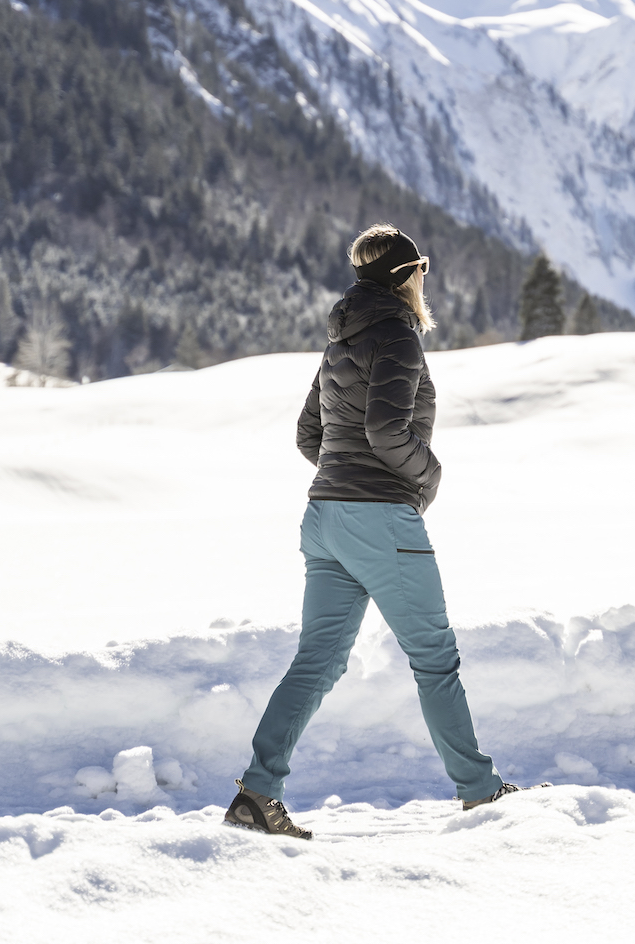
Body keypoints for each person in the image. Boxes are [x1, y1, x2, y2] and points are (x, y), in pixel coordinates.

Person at [225, 224, 525, 838]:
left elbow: (312, 436)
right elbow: (389, 433)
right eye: (422, 268)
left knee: (317, 662)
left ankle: (258, 795)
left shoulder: (342, 338)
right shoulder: (398, 337)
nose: (424, 278)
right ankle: (480, 792)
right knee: (435, 659)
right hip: (380, 518)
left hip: (326, 517)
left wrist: (348, 480)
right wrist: (426, 480)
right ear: (405, 276)